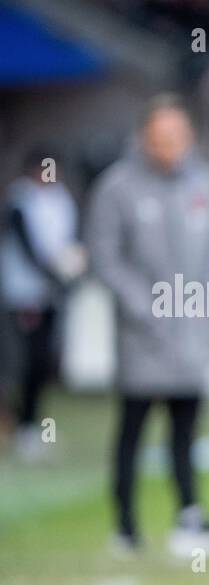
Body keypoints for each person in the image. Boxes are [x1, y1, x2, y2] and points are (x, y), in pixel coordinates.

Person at [86, 94, 209, 558]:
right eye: (162, 136)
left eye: (179, 136)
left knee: (186, 426)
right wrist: (146, 307)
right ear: (145, 138)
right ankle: (126, 527)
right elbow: (105, 257)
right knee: (132, 427)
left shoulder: (204, 183)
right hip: (143, 335)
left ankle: (189, 513)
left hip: (191, 331)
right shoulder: (117, 187)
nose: (171, 145)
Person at [1, 146, 83, 462]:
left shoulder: (61, 200)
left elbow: (69, 241)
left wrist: (70, 267)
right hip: (24, 294)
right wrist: (54, 272)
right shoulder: (20, 200)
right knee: (23, 362)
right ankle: (22, 425)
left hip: (51, 293)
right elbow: (28, 248)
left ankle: (33, 426)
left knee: (45, 360)